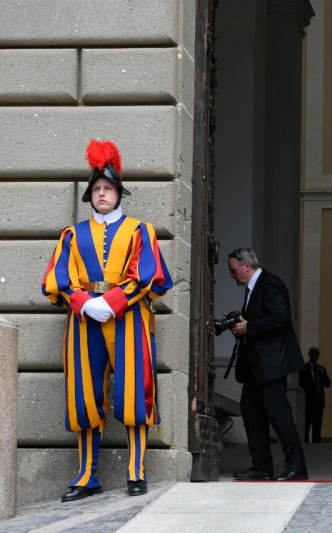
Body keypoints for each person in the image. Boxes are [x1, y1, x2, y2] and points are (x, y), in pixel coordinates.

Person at [42, 139, 173, 501]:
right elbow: (59, 279)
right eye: (97, 189)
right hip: (84, 321)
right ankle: (87, 475)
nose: (102, 193)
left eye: (108, 188)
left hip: (128, 317)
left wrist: (113, 301)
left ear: (118, 194)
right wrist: (84, 303)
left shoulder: (138, 231)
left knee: (133, 394)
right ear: (90, 195)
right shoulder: (72, 234)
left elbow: (148, 276)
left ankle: (136, 470)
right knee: (84, 397)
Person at [227, 247, 308, 481]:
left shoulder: (270, 283)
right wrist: (242, 324)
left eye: (233, 270)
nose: (232, 275)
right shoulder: (253, 287)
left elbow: (281, 318)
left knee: (278, 415)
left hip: (271, 365)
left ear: (246, 266)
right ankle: (261, 467)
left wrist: (248, 327)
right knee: (251, 414)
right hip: (255, 366)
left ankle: (297, 467)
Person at [299, 346, 331, 443]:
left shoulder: (322, 369)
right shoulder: (303, 368)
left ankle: (317, 444)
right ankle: (306, 443)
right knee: (307, 424)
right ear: (309, 355)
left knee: (317, 425)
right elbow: (301, 383)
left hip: (319, 401)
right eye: (313, 353)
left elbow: (328, 384)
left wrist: (322, 372)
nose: (315, 356)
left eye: (317, 354)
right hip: (308, 401)